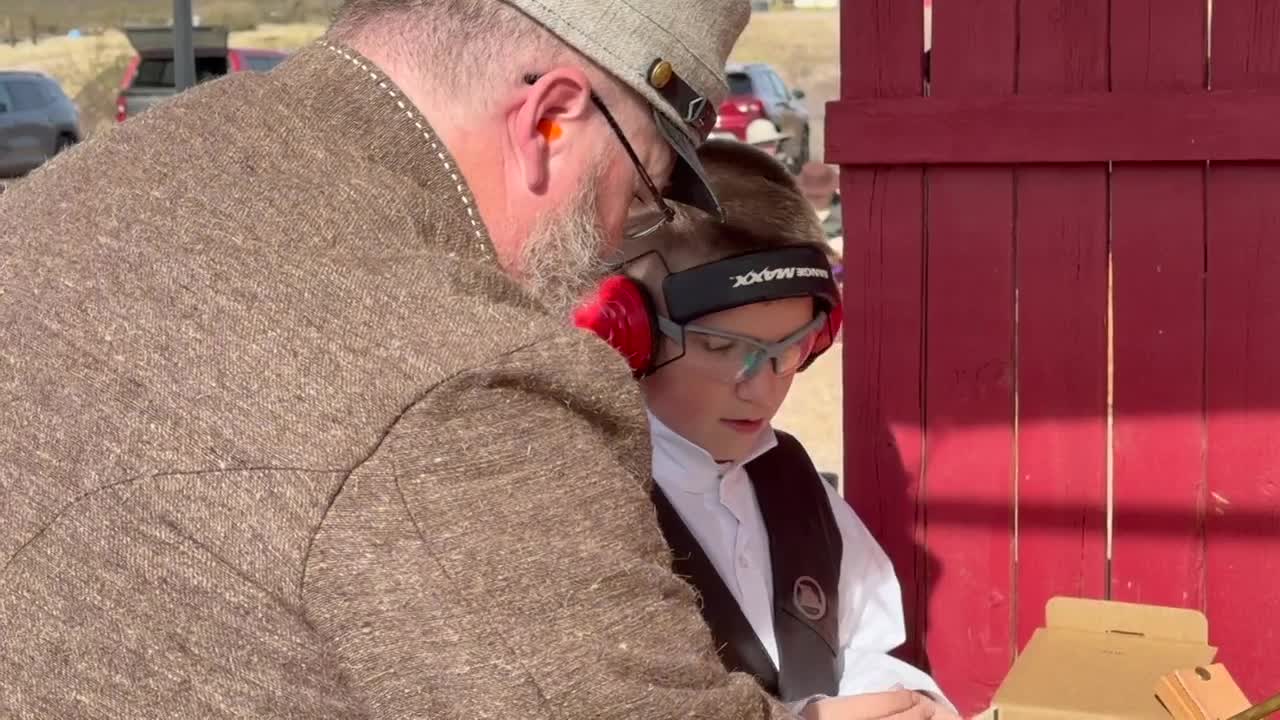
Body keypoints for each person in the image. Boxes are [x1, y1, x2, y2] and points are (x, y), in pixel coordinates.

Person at [0, 0, 816, 717]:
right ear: (548, 122)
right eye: (640, 191)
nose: (615, 241)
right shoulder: (466, 387)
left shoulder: (65, 196)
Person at [574, 141, 958, 720]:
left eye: (790, 350)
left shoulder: (790, 482)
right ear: (625, 333)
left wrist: (915, 702)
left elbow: (855, 647)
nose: (762, 388)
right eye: (723, 347)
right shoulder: (585, 504)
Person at [798, 160, 844, 247]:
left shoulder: (846, 211)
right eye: (811, 196)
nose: (815, 200)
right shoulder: (791, 210)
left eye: (820, 196)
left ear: (832, 191)